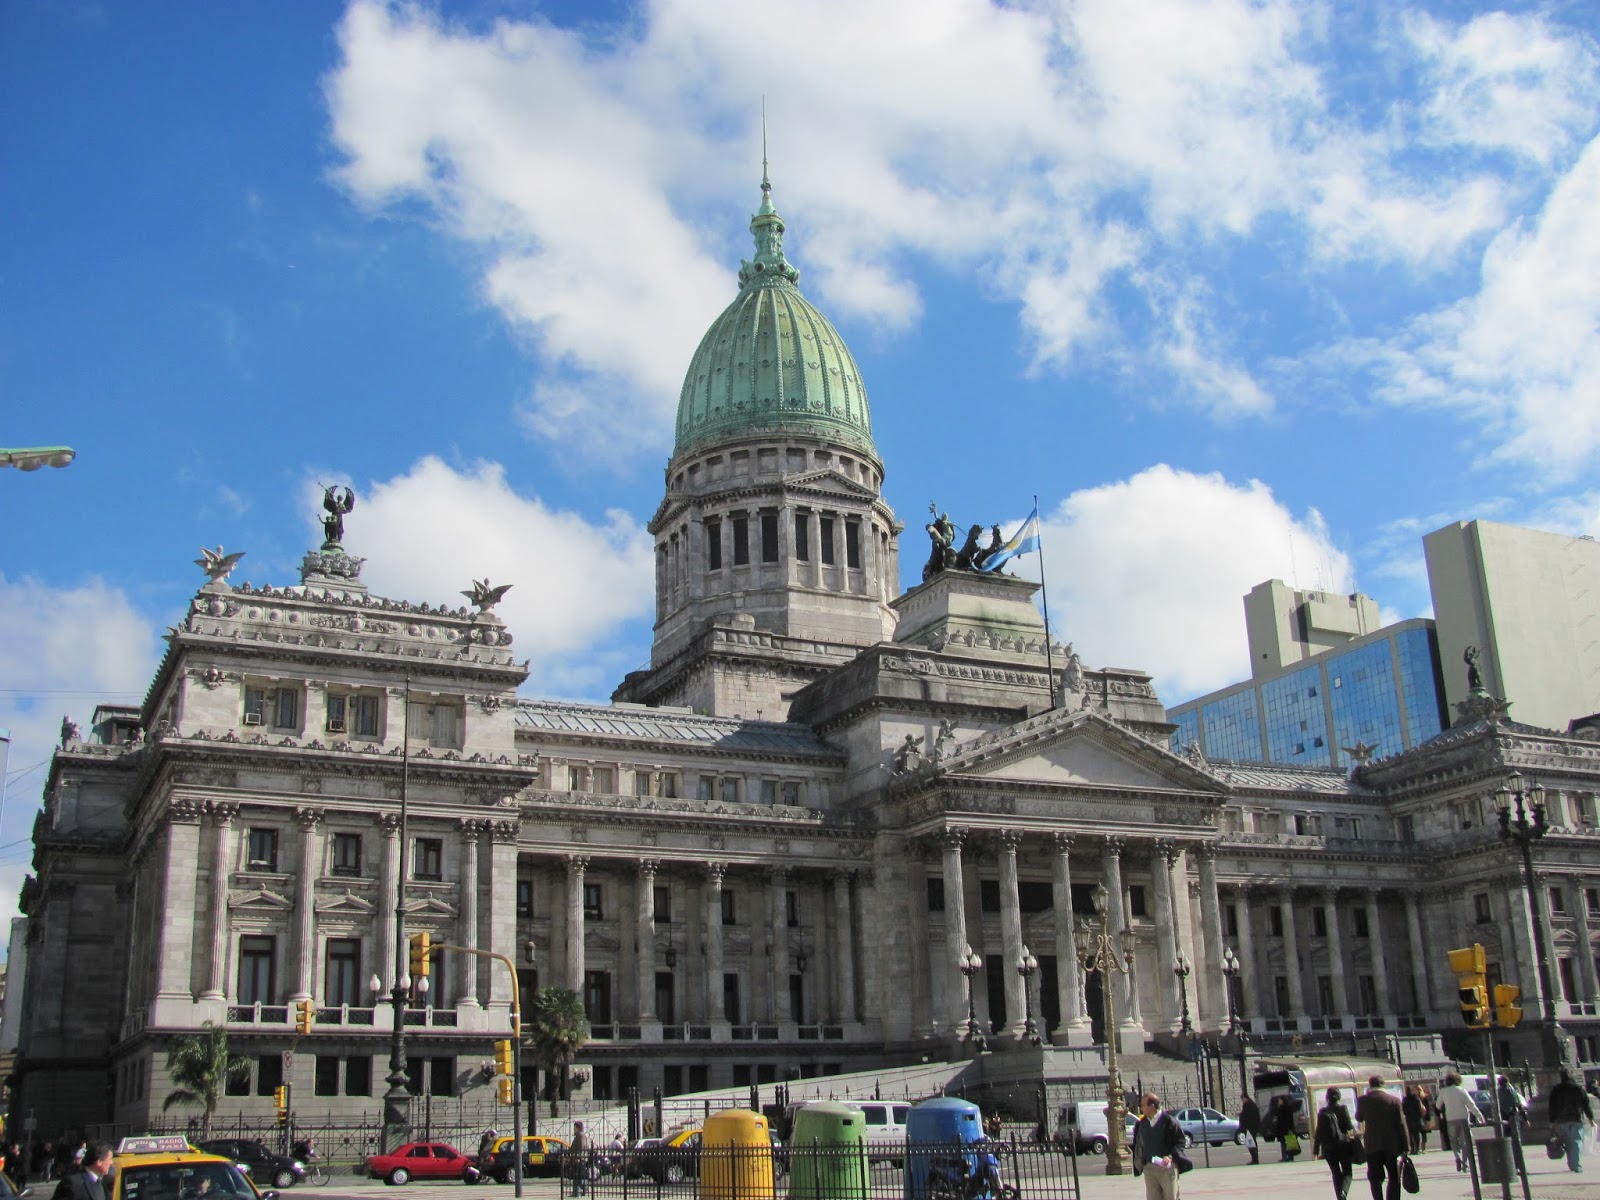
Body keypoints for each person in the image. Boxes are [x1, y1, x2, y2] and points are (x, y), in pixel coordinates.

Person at [1355, 1077, 1407, 1200]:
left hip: (1372, 1145)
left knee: (1375, 1177)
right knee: (1394, 1177)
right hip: (1392, 1144)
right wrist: (1406, 1146)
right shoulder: (1394, 1101)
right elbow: (1401, 1124)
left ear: (1370, 1085)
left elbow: (1359, 1117)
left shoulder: (1363, 1100)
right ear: (1384, 1086)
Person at [1131, 1093, 1185, 1200]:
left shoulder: (1169, 1121)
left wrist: (1170, 1156)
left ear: (1152, 1106)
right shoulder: (1141, 1124)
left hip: (1167, 1168)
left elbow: (1180, 1142)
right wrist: (1140, 1162)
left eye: (1143, 1105)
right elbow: (1139, 1145)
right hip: (1149, 1168)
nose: (1140, 1108)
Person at [1548, 1067, 1595, 1174]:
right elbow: (1585, 1104)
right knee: (1576, 1142)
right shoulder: (1578, 1088)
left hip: (1561, 1120)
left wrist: (1552, 1120)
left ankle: (1572, 1163)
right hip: (1575, 1118)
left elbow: (1552, 1106)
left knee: (1566, 1142)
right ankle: (1575, 1165)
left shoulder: (1556, 1089)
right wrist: (1590, 1118)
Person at [1315, 1087, 1356, 1200]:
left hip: (1328, 1148)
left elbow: (1318, 1131)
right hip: (1343, 1145)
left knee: (1336, 1173)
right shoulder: (1343, 1109)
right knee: (1347, 1172)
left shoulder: (1322, 1112)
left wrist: (1315, 1149)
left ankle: (1339, 1196)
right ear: (1339, 1097)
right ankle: (1343, 1192)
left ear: (1327, 1098)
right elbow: (1348, 1126)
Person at [1437, 1072, 1480, 1173]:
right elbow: (1471, 1105)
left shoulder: (1443, 1091)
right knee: (1464, 1142)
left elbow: (1438, 1105)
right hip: (1463, 1119)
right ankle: (1465, 1163)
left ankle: (1457, 1157)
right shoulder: (1461, 1090)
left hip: (1450, 1119)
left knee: (1453, 1141)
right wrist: (1479, 1116)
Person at [1239, 1091, 1263, 1165]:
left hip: (1250, 1128)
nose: (1242, 1101)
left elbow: (1247, 1117)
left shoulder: (1247, 1105)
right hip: (1253, 1127)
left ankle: (1254, 1159)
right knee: (1252, 1142)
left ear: (1244, 1098)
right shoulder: (1252, 1104)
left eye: (1242, 1099)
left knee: (1251, 1143)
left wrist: (1241, 1116)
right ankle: (1255, 1159)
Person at [1402, 1085, 1426, 1155]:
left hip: (1409, 1119)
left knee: (1410, 1134)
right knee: (1416, 1135)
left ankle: (1412, 1149)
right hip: (1417, 1118)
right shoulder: (1415, 1098)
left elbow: (1403, 1109)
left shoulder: (1405, 1099)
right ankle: (1417, 1149)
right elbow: (1420, 1107)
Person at [568, 1121, 589, 1197]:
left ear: (578, 1128)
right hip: (580, 1159)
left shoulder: (580, 1135)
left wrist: (578, 1157)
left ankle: (577, 1192)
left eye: (574, 1127)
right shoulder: (578, 1136)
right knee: (580, 1176)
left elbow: (582, 1147)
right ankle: (581, 1191)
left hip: (580, 1160)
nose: (573, 1129)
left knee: (578, 1176)